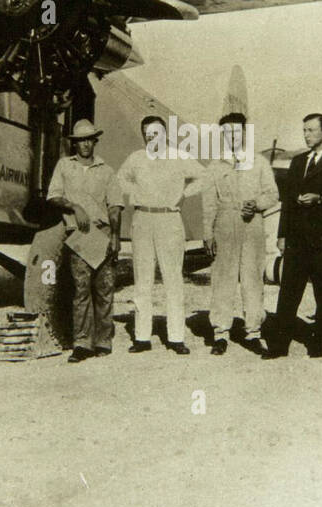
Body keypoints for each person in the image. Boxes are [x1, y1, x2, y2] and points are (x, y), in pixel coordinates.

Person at [266, 112, 322, 358]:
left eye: (311, 130)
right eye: (304, 130)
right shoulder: (297, 162)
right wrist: (282, 236)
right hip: (296, 240)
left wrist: (320, 199)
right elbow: (288, 204)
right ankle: (279, 345)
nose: (306, 135)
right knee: (288, 292)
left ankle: (319, 341)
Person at [118, 115, 206, 354]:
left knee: (173, 279)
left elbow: (203, 176)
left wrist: (185, 193)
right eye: (146, 133)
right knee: (142, 279)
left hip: (169, 219)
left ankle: (176, 337)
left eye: (155, 133)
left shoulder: (178, 156)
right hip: (143, 219)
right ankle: (141, 337)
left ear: (165, 134)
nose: (150, 137)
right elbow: (121, 180)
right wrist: (134, 192)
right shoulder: (136, 158)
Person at [45, 119, 124, 364]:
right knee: (81, 290)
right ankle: (82, 343)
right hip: (78, 236)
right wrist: (75, 206)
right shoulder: (64, 166)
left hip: (101, 234)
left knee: (104, 289)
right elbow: (54, 196)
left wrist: (115, 236)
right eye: (80, 141)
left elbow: (115, 207)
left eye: (89, 140)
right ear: (75, 144)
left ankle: (103, 341)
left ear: (95, 141)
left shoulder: (107, 171)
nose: (85, 145)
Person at [202, 112, 280, 355]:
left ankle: (253, 331)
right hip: (224, 223)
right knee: (223, 279)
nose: (232, 136)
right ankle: (220, 332)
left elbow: (272, 194)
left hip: (252, 224)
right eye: (226, 133)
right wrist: (208, 233)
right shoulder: (215, 167)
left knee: (252, 278)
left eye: (236, 131)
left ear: (244, 133)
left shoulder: (259, 162)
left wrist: (257, 203)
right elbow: (208, 203)